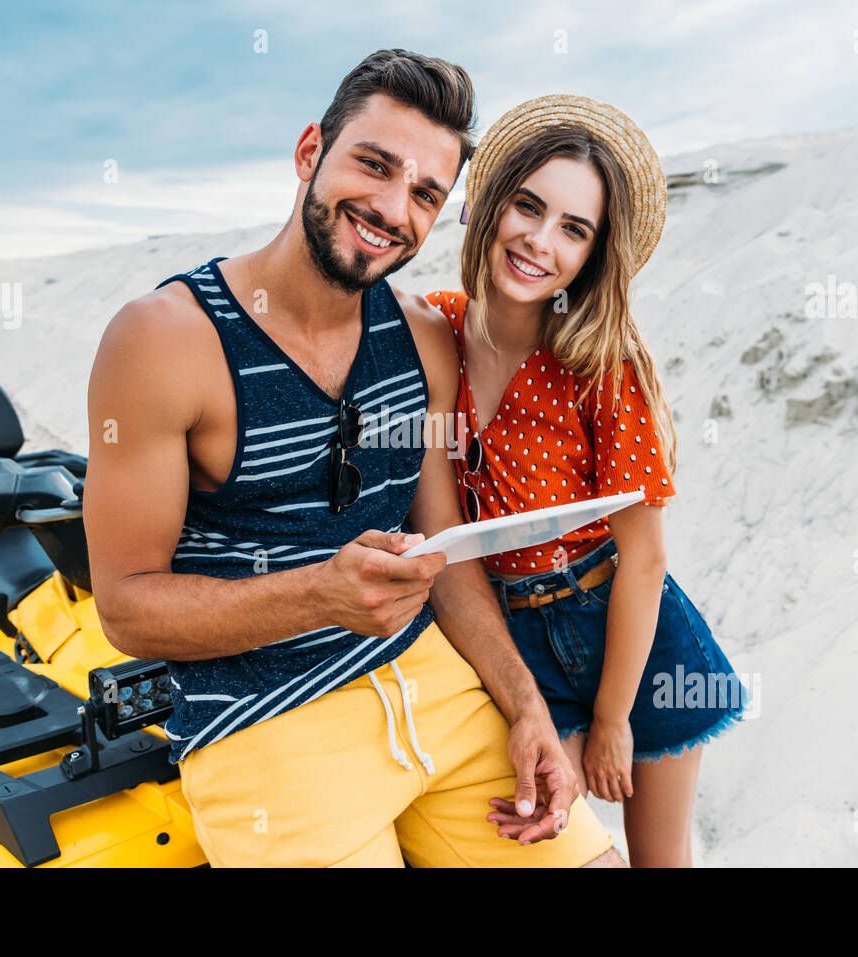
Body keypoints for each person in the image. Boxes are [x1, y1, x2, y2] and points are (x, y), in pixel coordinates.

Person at [84, 53, 622, 867]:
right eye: (374, 164)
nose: (389, 207)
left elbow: (445, 555)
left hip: (432, 688)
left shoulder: (424, 344)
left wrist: (525, 705)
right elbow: (125, 609)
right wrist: (319, 596)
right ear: (310, 153)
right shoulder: (163, 341)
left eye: (424, 193)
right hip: (265, 727)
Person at [416, 94, 749, 866]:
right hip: (515, 635)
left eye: (574, 228)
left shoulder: (599, 362)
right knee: (549, 843)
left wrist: (613, 719)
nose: (539, 240)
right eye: (528, 207)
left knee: (658, 859)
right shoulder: (437, 328)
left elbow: (646, 559)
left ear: (595, 253)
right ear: (491, 206)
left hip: (629, 635)